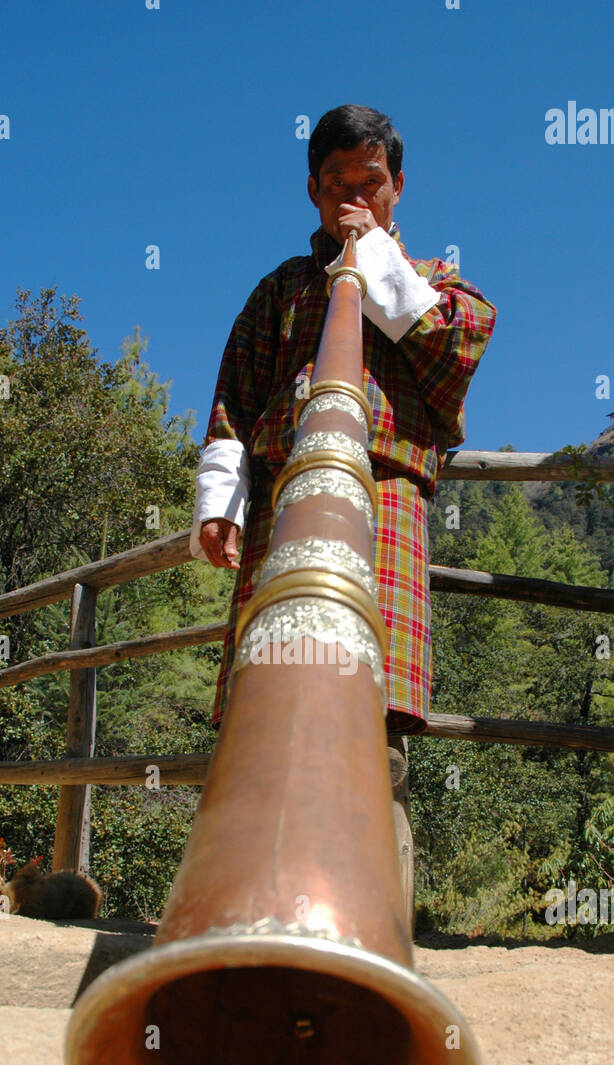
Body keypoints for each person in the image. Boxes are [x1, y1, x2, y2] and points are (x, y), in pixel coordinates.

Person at [190, 104, 496, 739]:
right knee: (265, 704)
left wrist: (373, 259)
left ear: (398, 187)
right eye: (337, 185)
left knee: (369, 714)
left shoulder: (436, 283)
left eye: (370, 183)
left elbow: (457, 350)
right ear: (312, 192)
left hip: (387, 502)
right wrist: (220, 503)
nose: (353, 199)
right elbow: (234, 404)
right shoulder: (277, 292)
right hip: (281, 501)